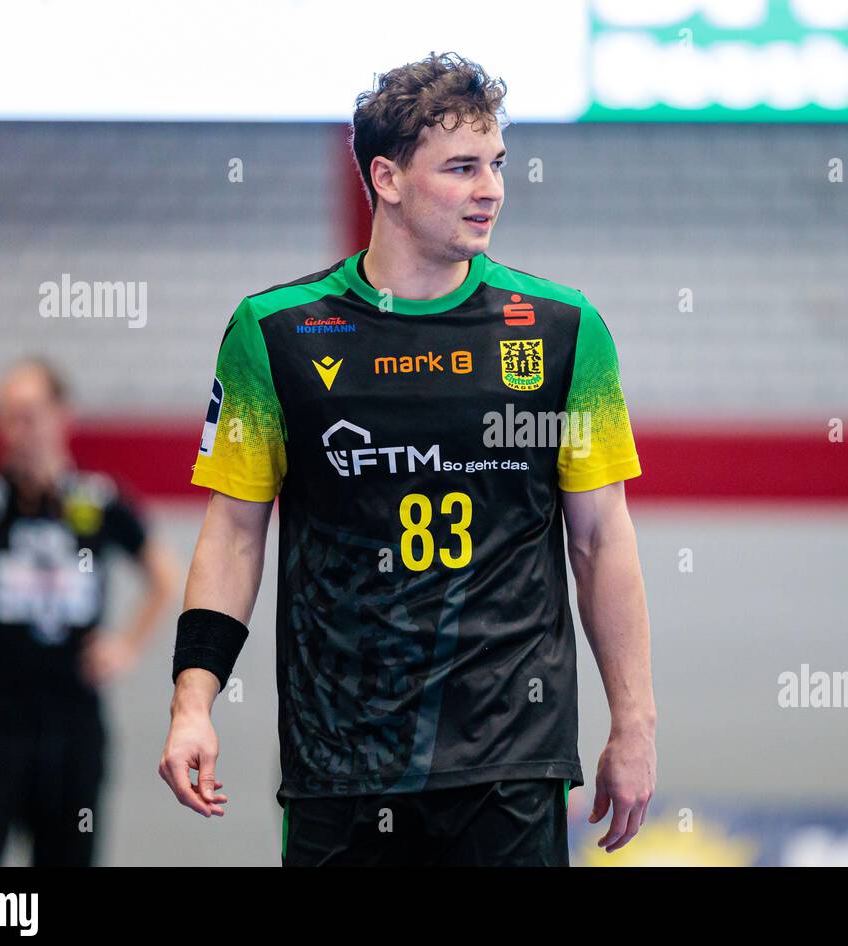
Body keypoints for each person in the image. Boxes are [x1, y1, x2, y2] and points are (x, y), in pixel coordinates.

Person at [159, 51, 656, 866]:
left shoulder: (564, 330)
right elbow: (235, 533)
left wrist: (634, 723)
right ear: (386, 179)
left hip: (509, 755)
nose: (491, 188)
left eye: (496, 165)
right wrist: (192, 700)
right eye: (461, 168)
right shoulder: (275, 332)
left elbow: (601, 538)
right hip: (340, 759)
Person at [0, 358, 179, 865]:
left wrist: (126, 645)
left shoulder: (96, 499)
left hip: (74, 724)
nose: (14, 431)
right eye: (4, 417)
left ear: (62, 416)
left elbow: (164, 573)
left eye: (27, 415)